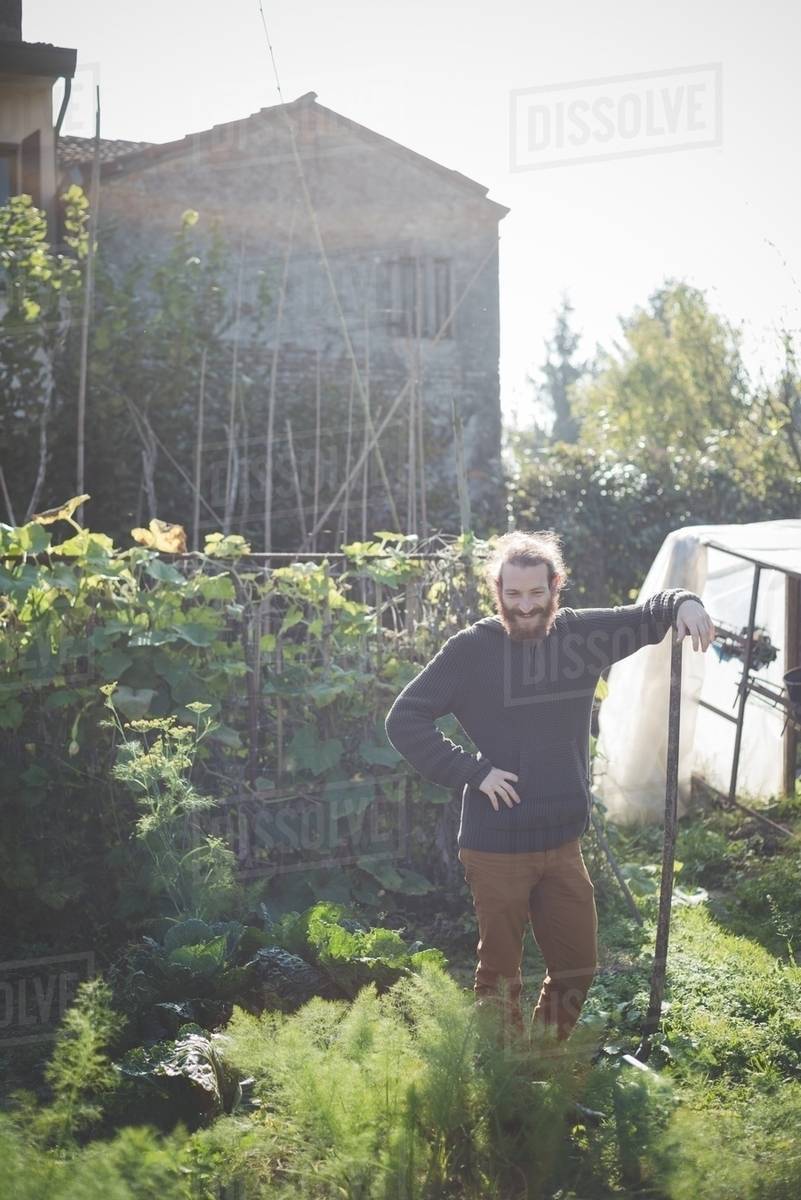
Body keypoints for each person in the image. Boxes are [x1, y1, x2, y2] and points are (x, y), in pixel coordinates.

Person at [385, 529, 715, 1045]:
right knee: (500, 976)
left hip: (562, 843)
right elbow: (405, 718)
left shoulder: (580, 636)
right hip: (496, 846)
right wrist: (474, 772)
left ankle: (542, 1057)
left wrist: (684, 602)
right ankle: (503, 1075)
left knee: (578, 966)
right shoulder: (471, 650)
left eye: (536, 593)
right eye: (513, 594)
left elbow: (647, 614)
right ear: (497, 590)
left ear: (555, 586)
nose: (525, 606)